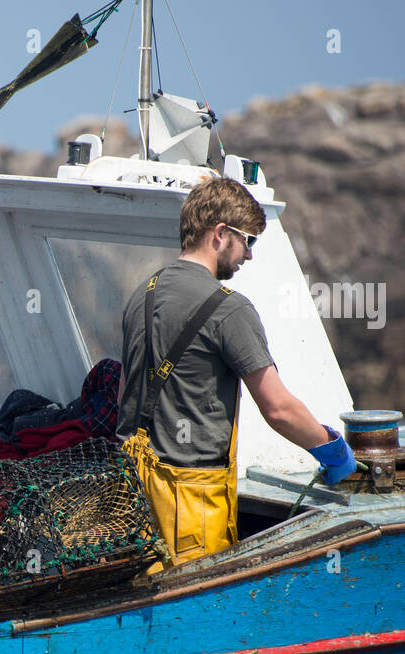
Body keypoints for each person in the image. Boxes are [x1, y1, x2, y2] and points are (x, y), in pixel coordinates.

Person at [116, 177, 356, 567]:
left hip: (133, 500)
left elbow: (126, 392)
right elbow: (277, 408)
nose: (248, 256)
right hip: (191, 508)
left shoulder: (142, 293)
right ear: (220, 234)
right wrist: (331, 448)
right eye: (248, 241)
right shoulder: (229, 309)